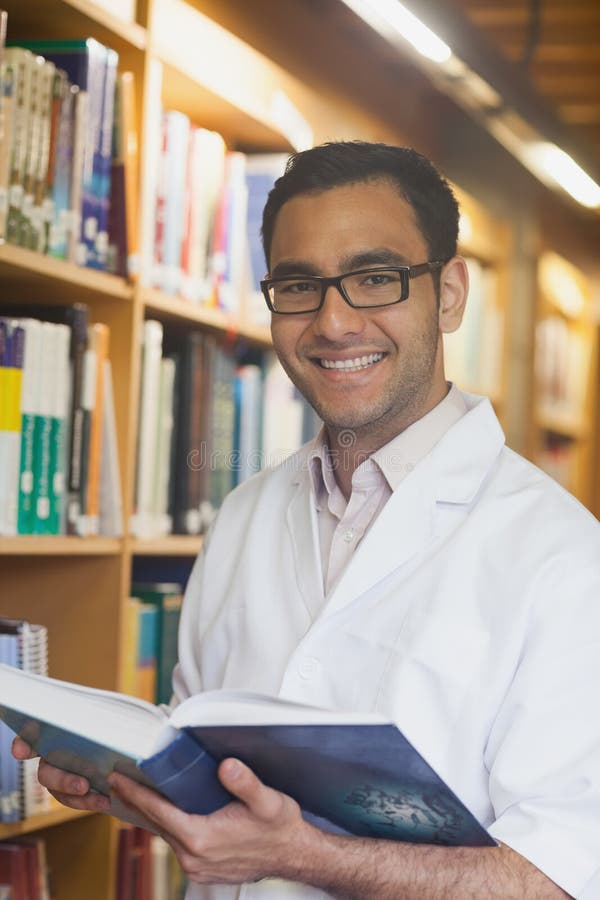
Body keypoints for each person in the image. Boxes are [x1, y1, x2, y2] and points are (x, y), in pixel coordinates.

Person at [14, 141, 600, 899]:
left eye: (374, 278)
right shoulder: (243, 516)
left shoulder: (565, 558)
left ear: (449, 294)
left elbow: (561, 877)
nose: (332, 322)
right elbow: (221, 800)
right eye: (298, 286)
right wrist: (129, 787)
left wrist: (305, 856)